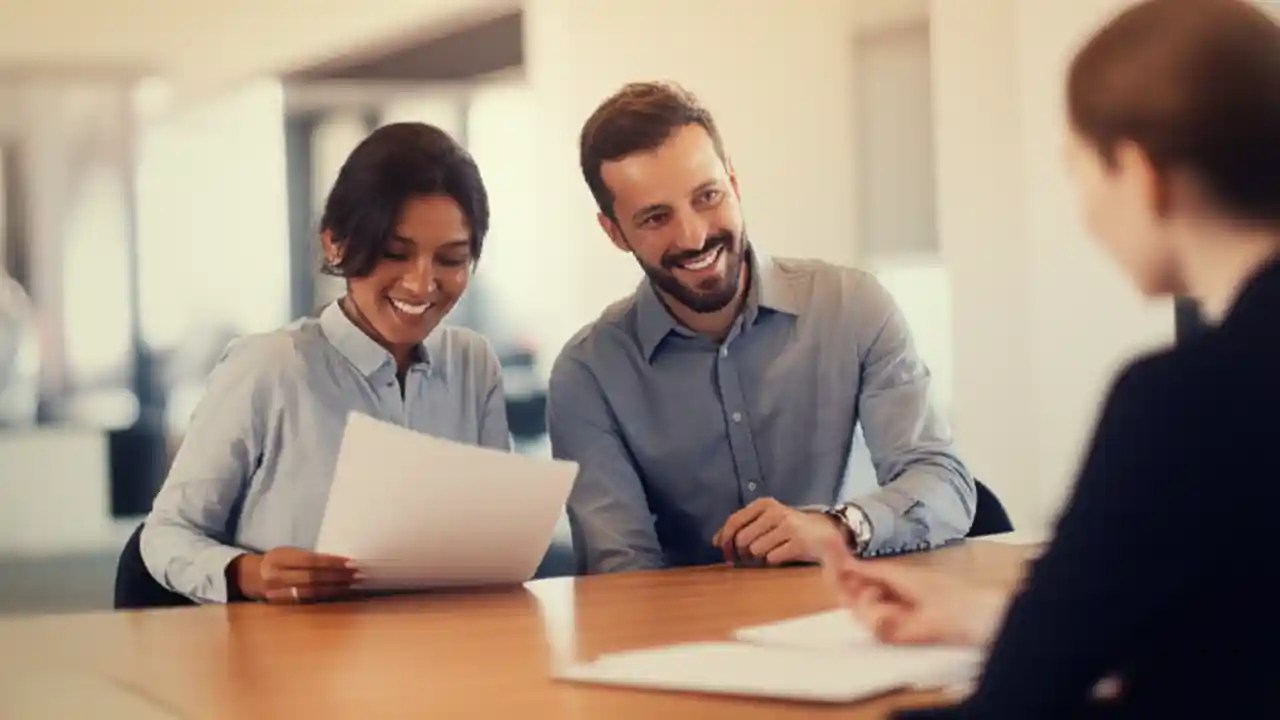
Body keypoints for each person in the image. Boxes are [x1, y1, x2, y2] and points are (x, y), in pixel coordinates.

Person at [818, 1, 1280, 717]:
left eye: (1081, 170)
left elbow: (1020, 703)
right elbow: (1226, 639)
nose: (1085, 211)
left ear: (1139, 172)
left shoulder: (1180, 400)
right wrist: (999, 621)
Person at [548, 82, 975, 575]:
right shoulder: (588, 375)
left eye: (707, 196)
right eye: (655, 217)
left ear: (734, 182)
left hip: (850, 616)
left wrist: (839, 527)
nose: (694, 235)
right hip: (684, 638)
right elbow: (620, 574)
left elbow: (943, 484)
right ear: (614, 232)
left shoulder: (853, 307)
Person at [141, 123, 510, 604]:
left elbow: (496, 537)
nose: (422, 284)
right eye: (395, 253)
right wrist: (249, 573)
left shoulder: (473, 364)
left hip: (439, 650)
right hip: (293, 657)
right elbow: (166, 533)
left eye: (451, 259)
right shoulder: (269, 367)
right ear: (336, 243)